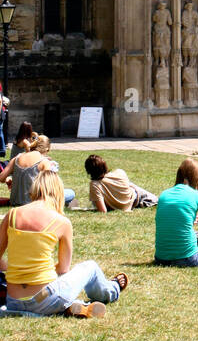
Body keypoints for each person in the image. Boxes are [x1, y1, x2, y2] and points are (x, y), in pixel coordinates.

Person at [0, 170, 129, 318]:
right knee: (90, 267)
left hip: (13, 300)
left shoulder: (12, 215)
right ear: (58, 192)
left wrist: (16, 270)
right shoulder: (62, 222)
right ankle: (113, 289)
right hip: (45, 298)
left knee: (56, 290)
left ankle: (72, 306)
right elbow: (63, 268)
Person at [1, 135, 76, 208]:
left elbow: (1, 178)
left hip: (15, 201)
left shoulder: (17, 157)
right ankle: (66, 204)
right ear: (47, 149)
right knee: (70, 193)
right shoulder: (44, 162)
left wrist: (8, 179)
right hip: (34, 202)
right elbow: (50, 187)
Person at [85, 155, 157, 211]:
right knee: (131, 186)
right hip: (134, 199)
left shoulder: (95, 185)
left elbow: (103, 210)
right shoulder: (119, 172)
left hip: (129, 201)